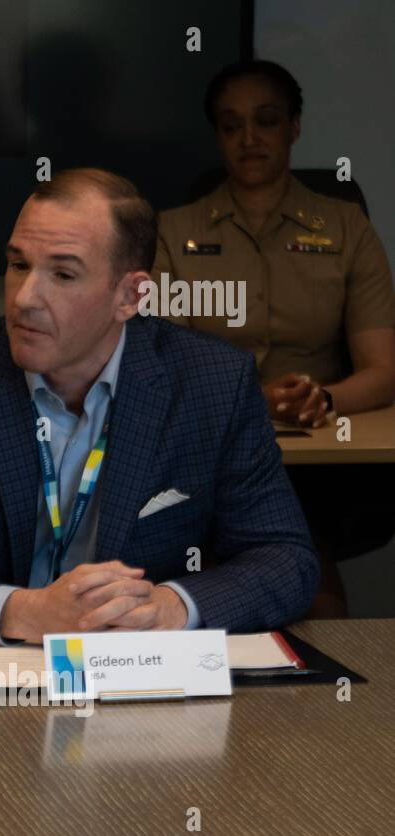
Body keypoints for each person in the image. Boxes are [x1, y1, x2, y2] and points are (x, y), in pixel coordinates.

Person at [0, 168, 319, 645]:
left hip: (135, 679)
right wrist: (15, 611)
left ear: (131, 295)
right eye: (19, 265)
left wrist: (170, 608)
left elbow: (285, 557)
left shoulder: (212, 384)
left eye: (62, 274)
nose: (24, 300)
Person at [154, 60, 395, 616]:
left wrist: (324, 399)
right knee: (215, 584)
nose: (249, 138)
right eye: (231, 125)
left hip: (321, 461)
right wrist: (253, 400)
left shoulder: (346, 227)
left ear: (295, 126)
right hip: (208, 454)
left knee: (316, 595)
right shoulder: (171, 232)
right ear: (217, 135)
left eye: (266, 120)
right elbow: (162, 363)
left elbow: (383, 368)